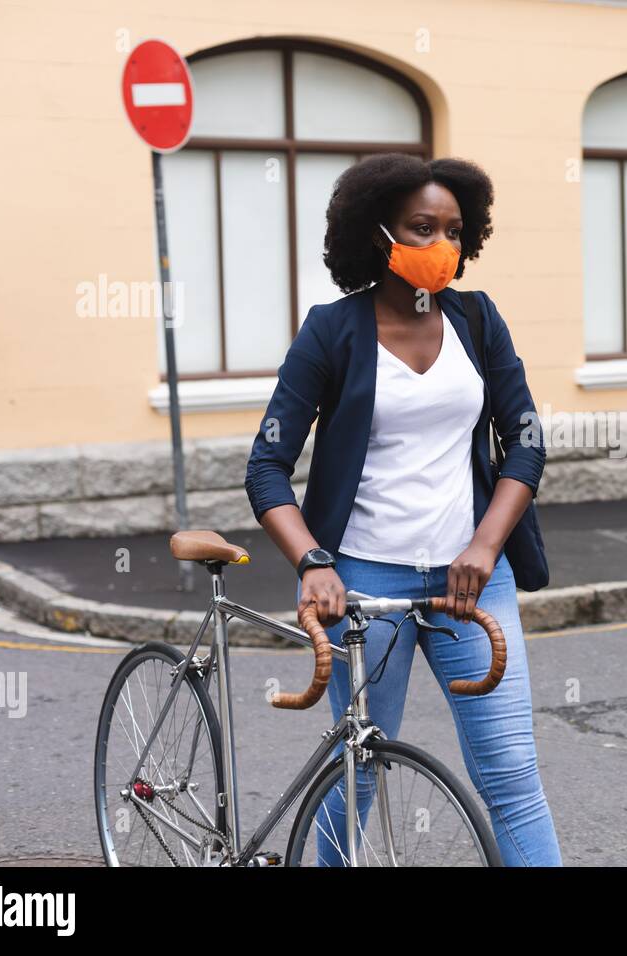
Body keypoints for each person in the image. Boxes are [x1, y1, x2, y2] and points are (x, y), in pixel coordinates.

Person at [243, 152, 562, 866]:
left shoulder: (477, 319)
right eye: (422, 228)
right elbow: (266, 467)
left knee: (511, 778)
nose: (440, 246)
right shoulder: (333, 331)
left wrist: (484, 546)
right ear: (378, 232)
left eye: (453, 230)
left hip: (470, 584)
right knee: (357, 773)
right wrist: (313, 560)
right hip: (363, 582)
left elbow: (527, 443)